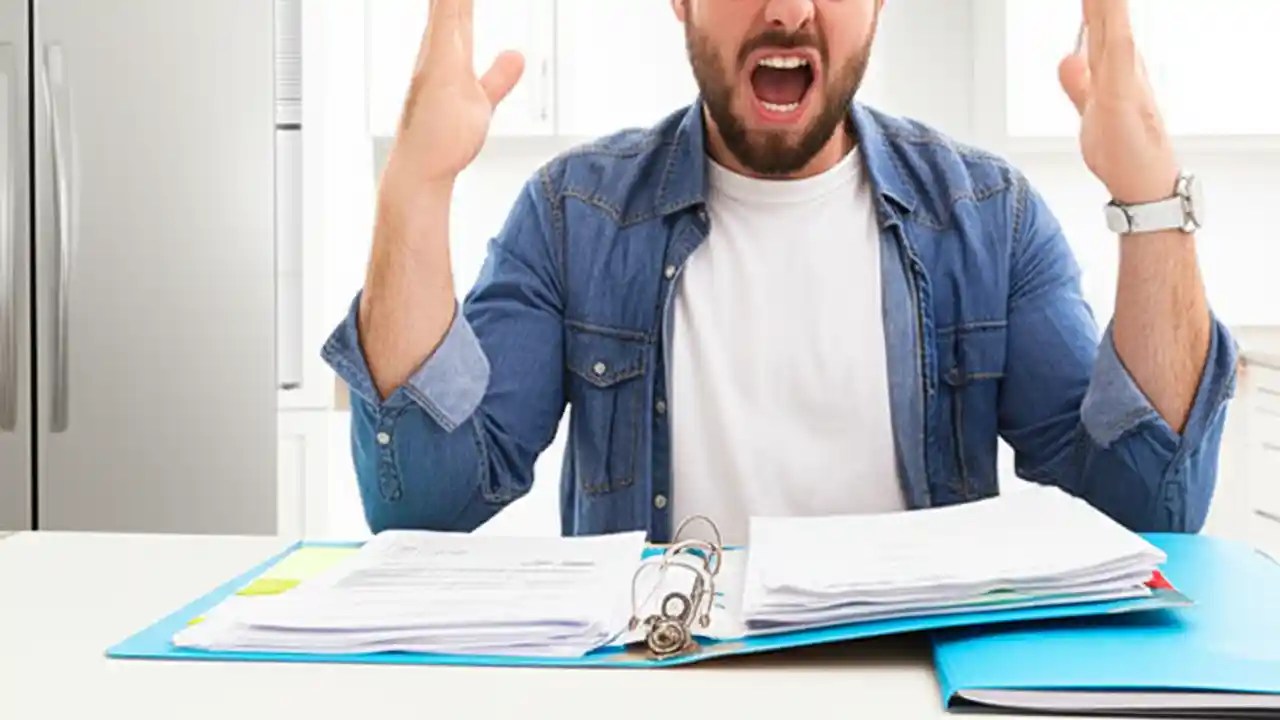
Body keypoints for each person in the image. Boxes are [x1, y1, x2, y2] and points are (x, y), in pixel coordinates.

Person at [322, 0, 1236, 544]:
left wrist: (1149, 190)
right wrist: (415, 183)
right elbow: (425, 509)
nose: (790, 9)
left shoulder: (985, 217)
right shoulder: (573, 217)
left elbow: (1144, 509)